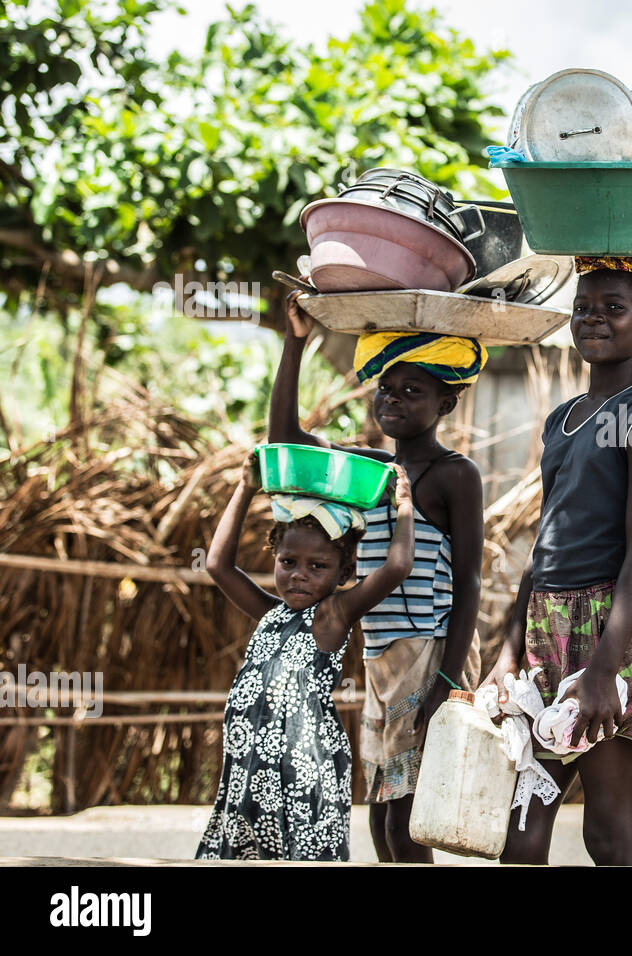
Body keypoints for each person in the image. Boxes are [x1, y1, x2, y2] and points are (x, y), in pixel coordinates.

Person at [478, 256, 632, 866]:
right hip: (546, 627)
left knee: (609, 836)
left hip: (608, 632)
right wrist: (509, 651)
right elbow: (547, 543)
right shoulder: (560, 421)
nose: (594, 318)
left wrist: (601, 668)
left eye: (613, 308)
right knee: (520, 838)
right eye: (583, 307)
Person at [270, 296, 483, 863]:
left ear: (446, 401)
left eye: (412, 391)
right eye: (385, 388)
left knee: (406, 827)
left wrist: (449, 677)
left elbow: (470, 582)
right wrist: (295, 341)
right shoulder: (366, 473)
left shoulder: (453, 476)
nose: (392, 400)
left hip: (429, 651)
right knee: (379, 817)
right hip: (381, 656)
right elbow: (286, 439)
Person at [197, 451, 415, 861]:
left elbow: (398, 566)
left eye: (317, 566)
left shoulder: (333, 615)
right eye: (288, 562)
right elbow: (217, 564)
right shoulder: (269, 613)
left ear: (343, 573)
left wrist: (404, 507)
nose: (299, 574)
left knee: (304, 856)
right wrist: (246, 486)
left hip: (302, 772)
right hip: (249, 769)